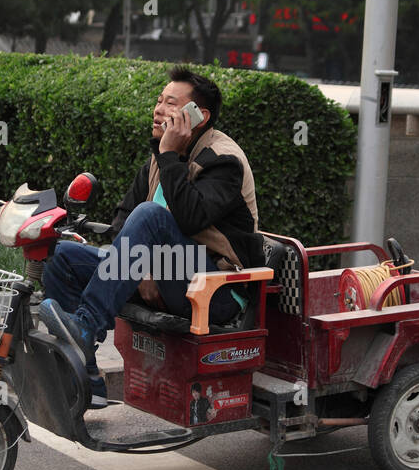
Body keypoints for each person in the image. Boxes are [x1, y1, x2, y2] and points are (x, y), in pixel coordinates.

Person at [40, 66, 263, 407]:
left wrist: (170, 153)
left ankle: (86, 327)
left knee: (150, 215)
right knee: (63, 257)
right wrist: (141, 271)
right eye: (159, 100)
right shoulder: (159, 158)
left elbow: (190, 218)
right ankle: (85, 377)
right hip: (166, 271)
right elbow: (122, 221)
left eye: (170, 103)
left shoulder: (223, 161)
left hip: (217, 288)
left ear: (198, 115)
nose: (158, 109)